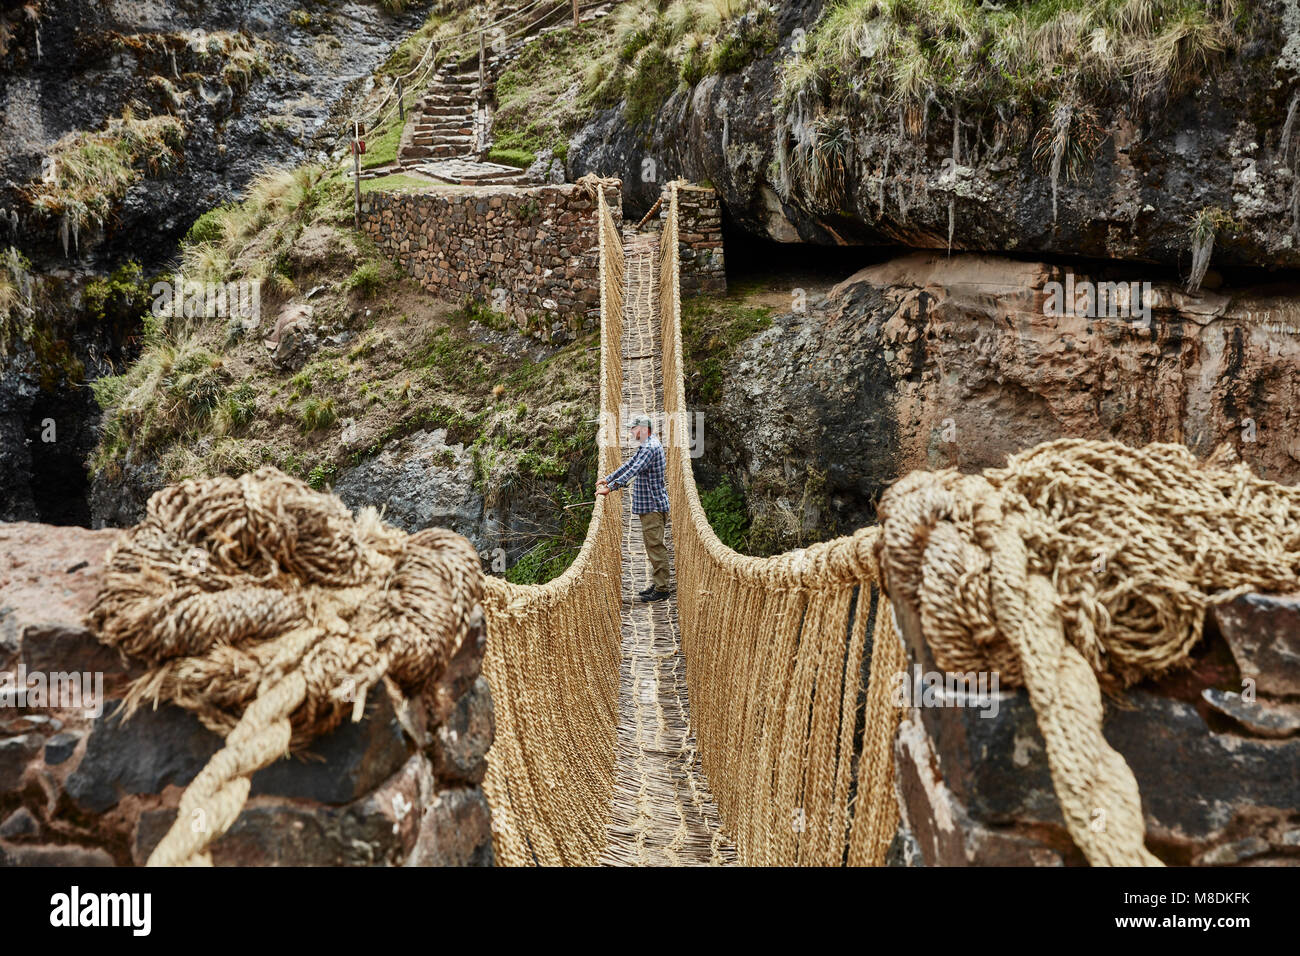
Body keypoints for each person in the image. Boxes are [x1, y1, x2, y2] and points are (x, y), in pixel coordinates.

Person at [596, 413, 672, 602]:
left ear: (644, 429)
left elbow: (633, 471)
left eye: (633, 428)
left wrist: (610, 488)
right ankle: (658, 583)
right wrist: (608, 478)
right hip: (650, 507)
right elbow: (630, 464)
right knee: (652, 546)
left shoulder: (650, 448)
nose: (631, 432)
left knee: (655, 546)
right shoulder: (648, 445)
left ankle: (662, 589)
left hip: (652, 507)